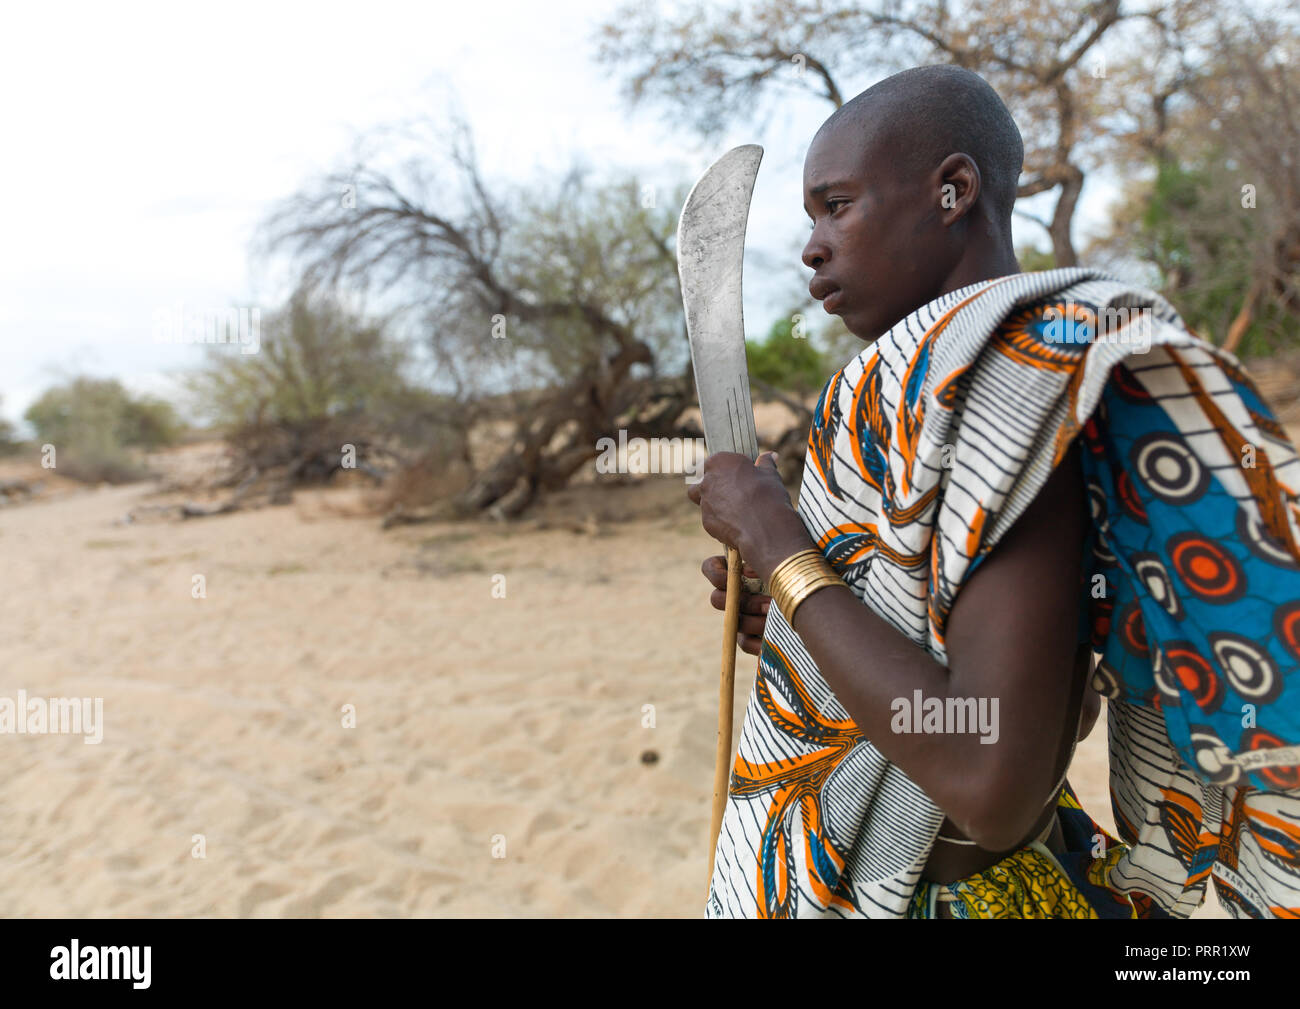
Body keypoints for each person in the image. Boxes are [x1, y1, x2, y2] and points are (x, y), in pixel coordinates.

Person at [688, 64, 1300, 918]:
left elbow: (988, 775)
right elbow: (1060, 698)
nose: (813, 246)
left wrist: (781, 548)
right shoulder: (929, 394)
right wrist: (806, 624)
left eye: (838, 206)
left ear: (953, 191)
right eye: (810, 217)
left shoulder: (1010, 386)